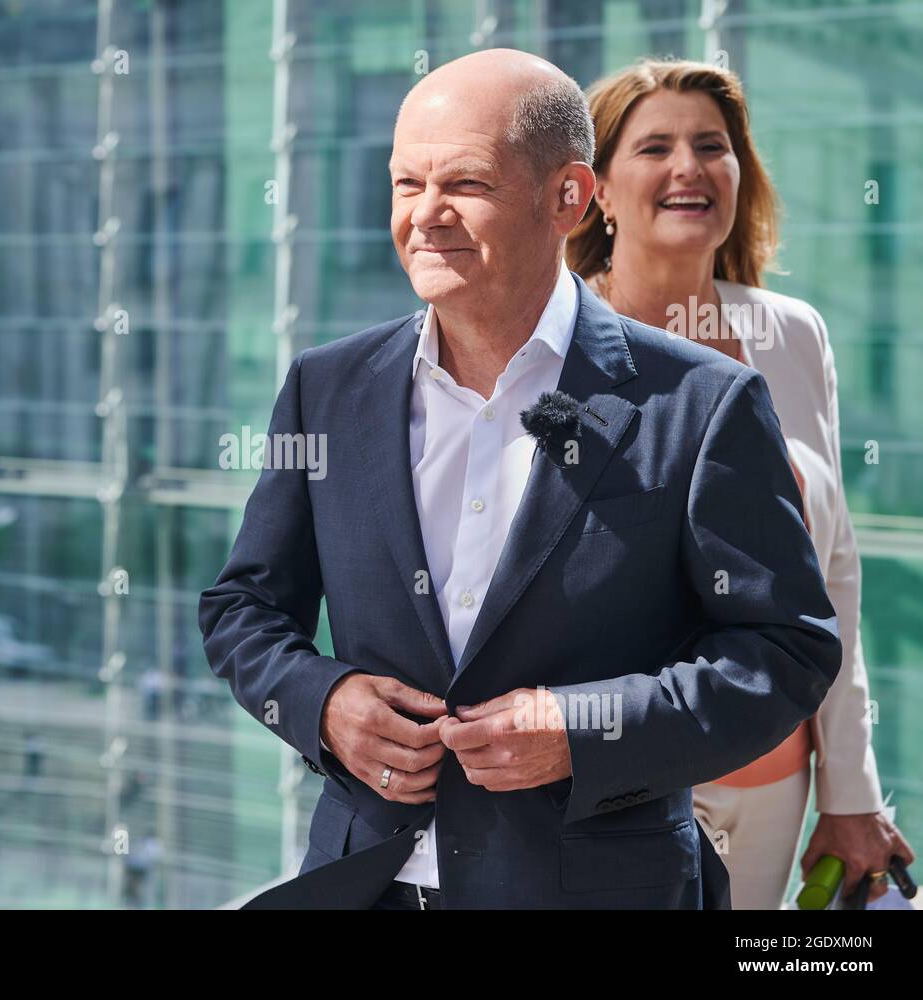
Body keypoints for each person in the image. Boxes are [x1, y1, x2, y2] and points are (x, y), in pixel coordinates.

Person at [198, 48, 840, 909]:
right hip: (366, 885)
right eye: (404, 185)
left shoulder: (702, 402)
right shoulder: (326, 387)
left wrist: (586, 730)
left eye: (464, 183)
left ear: (568, 197)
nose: (425, 216)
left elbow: (787, 651)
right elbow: (242, 608)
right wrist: (324, 702)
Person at [568, 57, 914, 908]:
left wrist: (852, 794)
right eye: (654, 147)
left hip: (772, 788)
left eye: (710, 145)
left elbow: (831, 583)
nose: (688, 166)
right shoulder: (555, 349)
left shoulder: (790, 334)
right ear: (600, 191)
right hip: (617, 790)